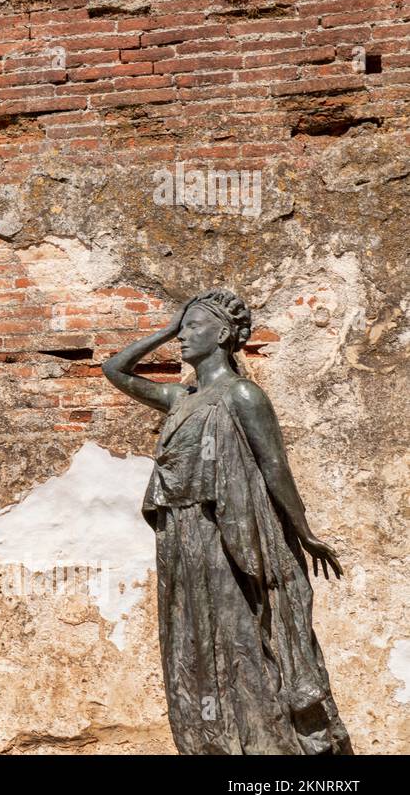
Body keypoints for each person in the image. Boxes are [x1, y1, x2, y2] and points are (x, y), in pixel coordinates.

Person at [102, 288, 352, 754]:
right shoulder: (181, 398)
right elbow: (114, 370)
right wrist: (170, 327)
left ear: (222, 335)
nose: (183, 336)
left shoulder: (242, 394)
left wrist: (304, 532)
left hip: (225, 537)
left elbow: (274, 466)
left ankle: (266, 744)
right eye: (183, 327)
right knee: (191, 643)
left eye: (194, 327)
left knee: (238, 639)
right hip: (180, 541)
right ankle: (211, 742)